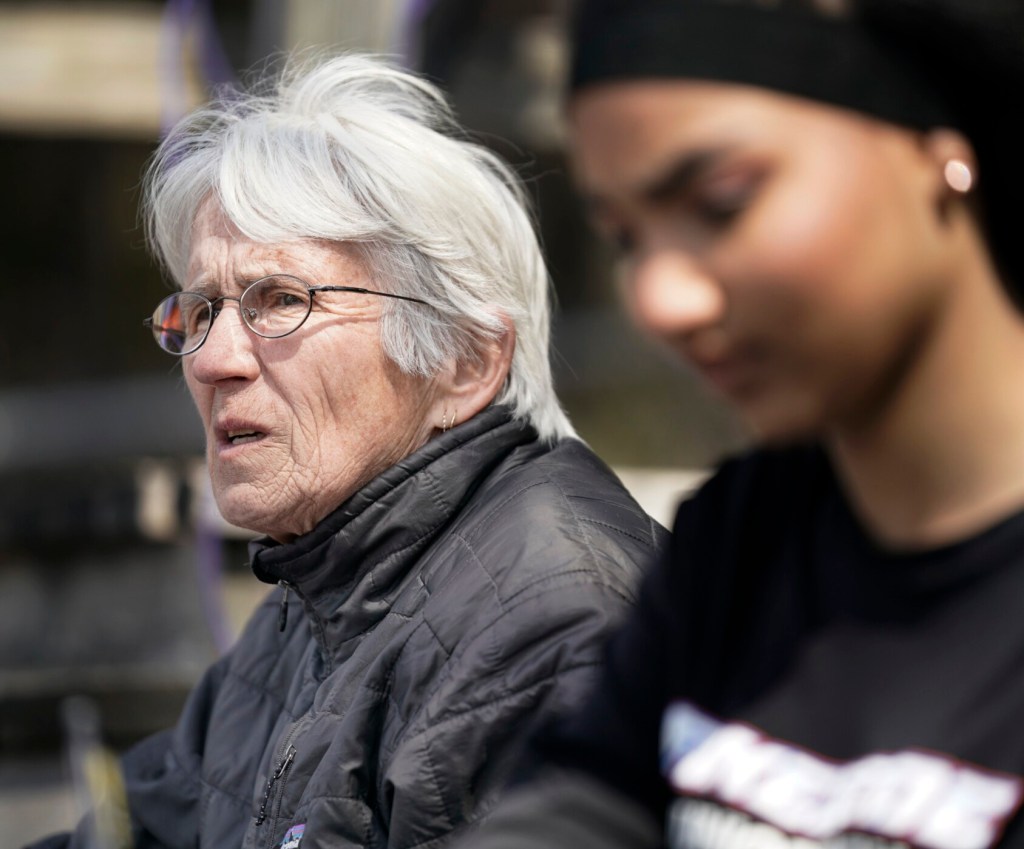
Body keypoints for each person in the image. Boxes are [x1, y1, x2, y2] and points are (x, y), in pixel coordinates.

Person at [26, 53, 665, 849]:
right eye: (199, 311)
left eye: (282, 300)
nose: (213, 359)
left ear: (464, 358)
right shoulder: (320, 588)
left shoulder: (551, 625)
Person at [464, 0, 1024, 847]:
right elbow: (582, 800)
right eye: (625, 238)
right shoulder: (742, 538)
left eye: (723, 202)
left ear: (935, 152)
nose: (661, 301)